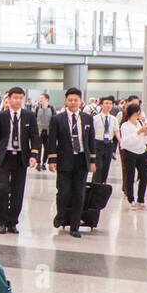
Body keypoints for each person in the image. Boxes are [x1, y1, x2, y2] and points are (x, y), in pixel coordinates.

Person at [47, 88, 96, 238]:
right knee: (63, 192)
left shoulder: (87, 119)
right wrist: (52, 160)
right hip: (64, 160)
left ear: (80, 101)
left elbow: (90, 141)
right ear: (66, 101)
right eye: (70, 100)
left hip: (81, 160)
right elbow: (51, 141)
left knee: (79, 194)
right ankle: (61, 215)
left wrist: (92, 160)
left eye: (76, 100)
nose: (73, 102)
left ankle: (75, 225)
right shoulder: (57, 119)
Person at [0, 86, 39, 233]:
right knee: (2, 189)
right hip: (4, 157)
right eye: (15, 98)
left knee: (18, 190)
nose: (18, 101)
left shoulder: (29, 116)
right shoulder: (1, 116)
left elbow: (35, 137)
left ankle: (13, 221)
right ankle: (2, 221)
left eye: (20, 98)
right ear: (9, 99)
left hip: (21, 157)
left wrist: (34, 156)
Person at [119, 102, 147, 209]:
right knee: (130, 177)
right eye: (136, 114)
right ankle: (131, 199)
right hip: (129, 153)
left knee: (144, 176)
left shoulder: (140, 124)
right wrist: (138, 133)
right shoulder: (125, 126)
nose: (138, 116)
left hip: (141, 152)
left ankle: (141, 200)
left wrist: (146, 133)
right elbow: (127, 141)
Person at [92, 97, 119, 186]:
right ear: (101, 105)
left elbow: (116, 131)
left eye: (110, 104)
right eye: (106, 103)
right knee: (98, 166)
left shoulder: (114, 119)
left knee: (106, 166)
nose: (108, 105)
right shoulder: (95, 118)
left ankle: (103, 185)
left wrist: (121, 141)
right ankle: (95, 184)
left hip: (108, 144)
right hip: (97, 143)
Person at [33, 93, 55, 171]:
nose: (40, 100)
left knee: (47, 148)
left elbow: (54, 119)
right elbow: (34, 119)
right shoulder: (37, 108)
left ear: (47, 99)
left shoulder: (51, 108)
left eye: (42, 98)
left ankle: (44, 163)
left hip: (48, 131)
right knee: (38, 147)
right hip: (39, 130)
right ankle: (38, 162)